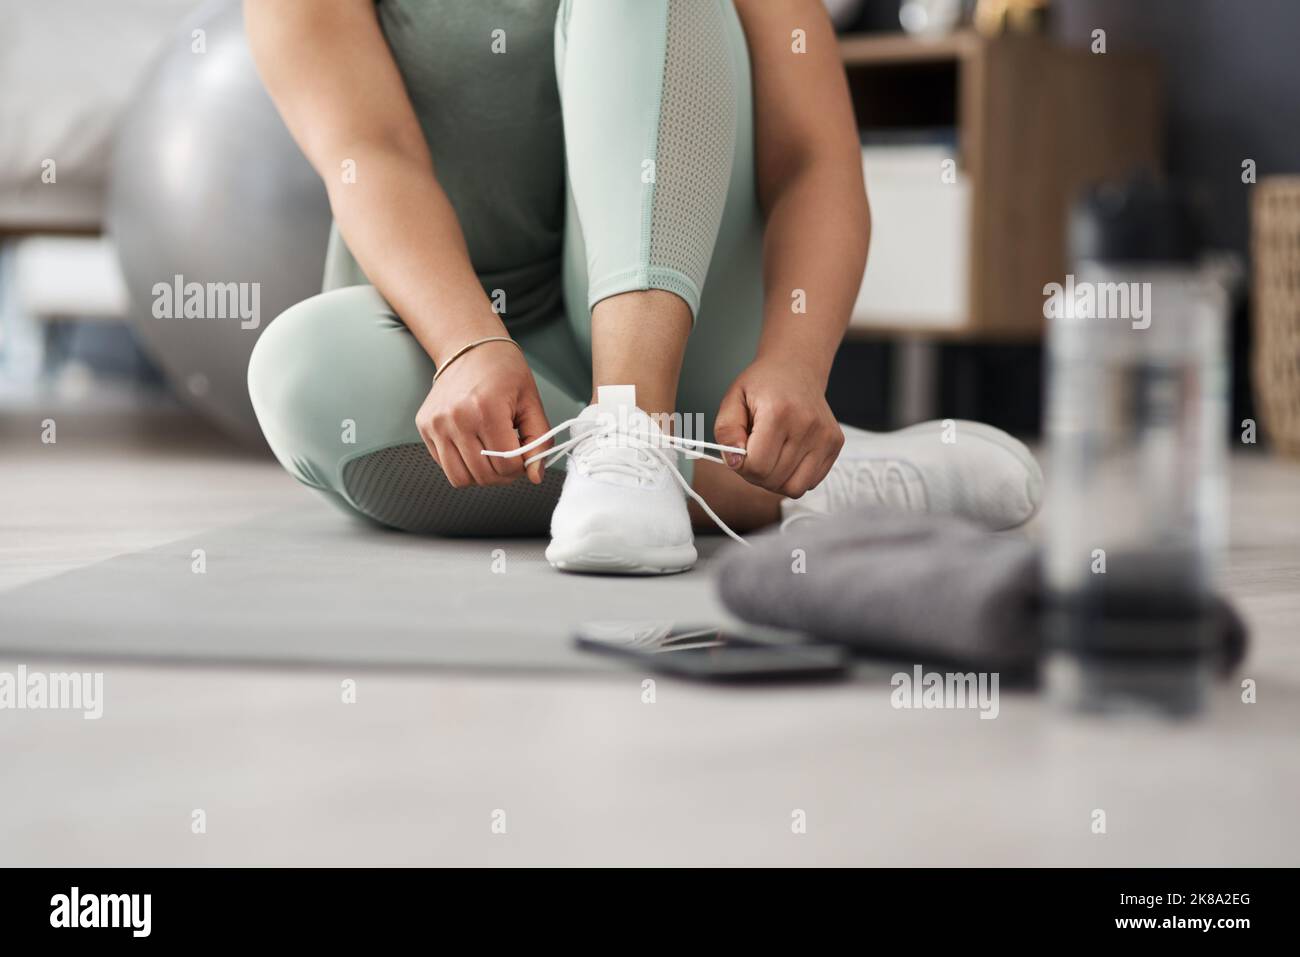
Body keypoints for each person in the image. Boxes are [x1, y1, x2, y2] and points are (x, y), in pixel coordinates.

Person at [246, 0, 1042, 574]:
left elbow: (816, 160)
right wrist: (466, 343)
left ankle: (633, 426)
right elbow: (371, 154)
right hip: (466, 357)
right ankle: (777, 493)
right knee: (297, 372)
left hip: (685, 327)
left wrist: (797, 362)